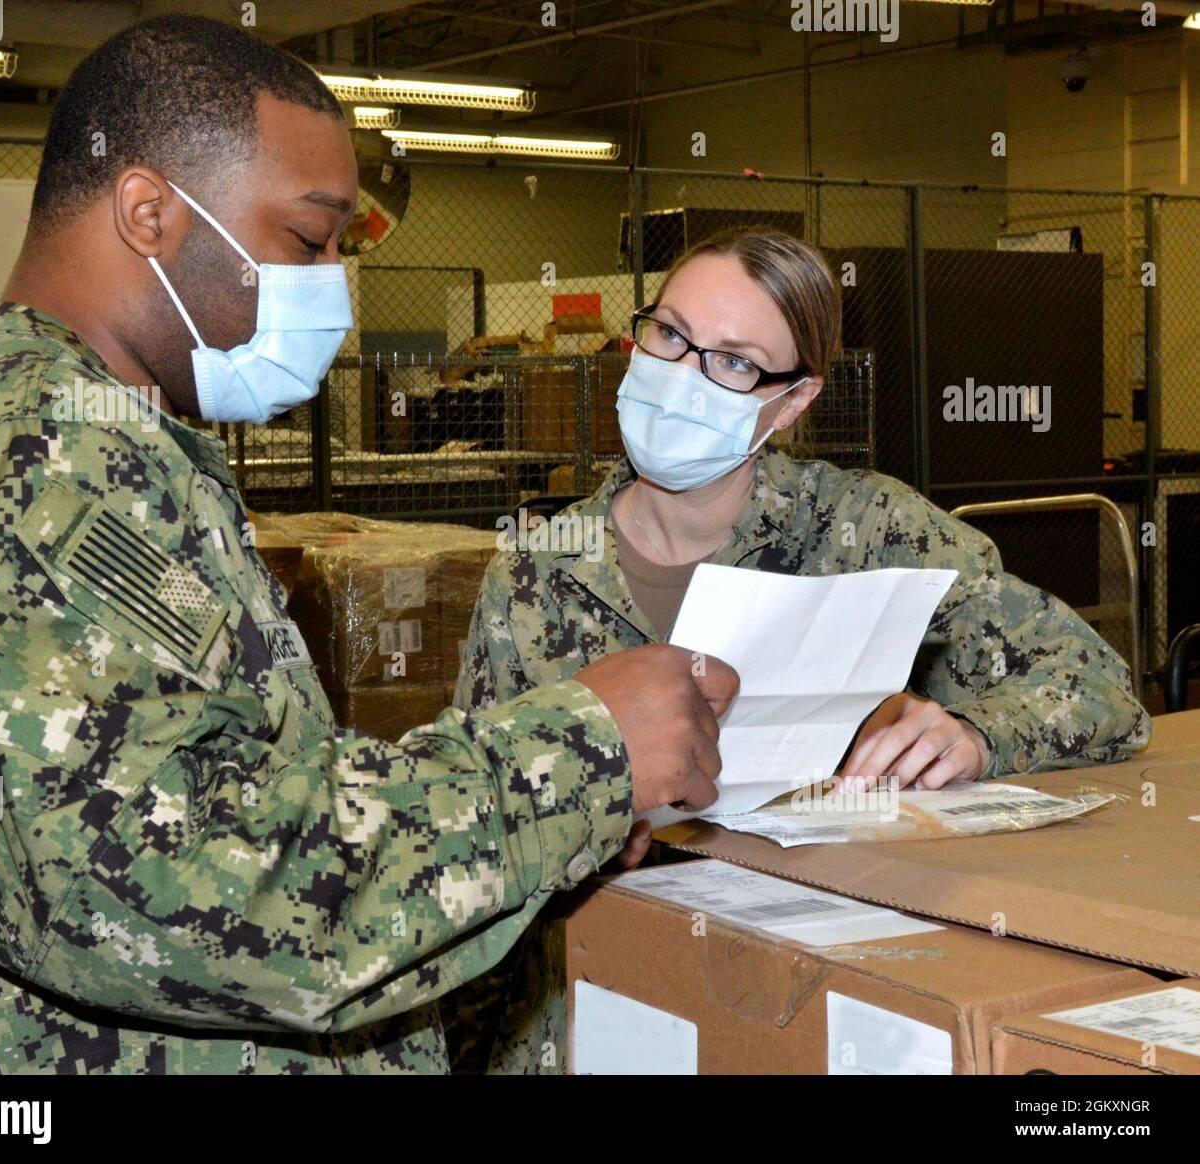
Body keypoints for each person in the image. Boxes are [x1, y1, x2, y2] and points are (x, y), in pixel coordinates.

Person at [0, 15, 738, 1075]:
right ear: (148, 211)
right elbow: (163, 887)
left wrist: (545, 833)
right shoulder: (52, 460)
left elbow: (221, 782)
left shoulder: (64, 435)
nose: (332, 289)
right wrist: (574, 759)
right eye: (307, 240)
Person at [448, 226, 1152, 1073]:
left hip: (804, 1012)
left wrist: (976, 732)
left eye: (735, 362)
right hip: (583, 1014)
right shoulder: (536, 572)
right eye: (669, 335)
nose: (682, 378)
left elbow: (1101, 686)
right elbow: (473, 842)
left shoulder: (864, 531)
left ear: (792, 402)